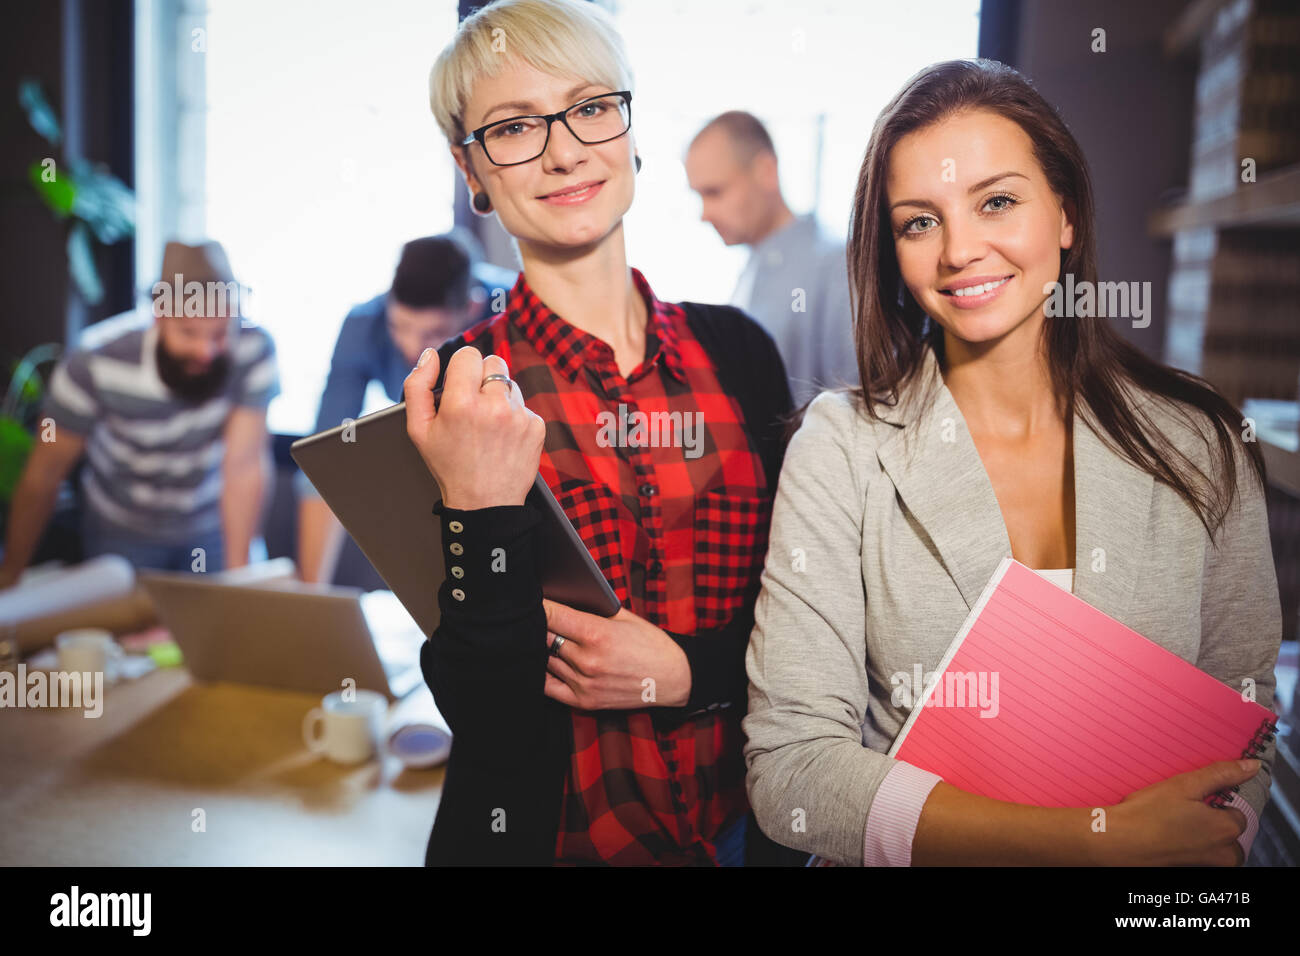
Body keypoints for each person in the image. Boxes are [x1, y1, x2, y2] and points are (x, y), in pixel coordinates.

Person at [744, 59, 1282, 867]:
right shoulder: (840, 444)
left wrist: (1195, 854)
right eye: (919, 222)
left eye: (997, 201)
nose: (961, 250)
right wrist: (1089, 845)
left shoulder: (1199, 438)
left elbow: (1246, 716)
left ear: (1065, 213)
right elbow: (792, 769)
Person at [406, 0, 801, 865]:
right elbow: (485, 714)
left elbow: (809, 633)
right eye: (511, 127)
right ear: (471, 169)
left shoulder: (739, 352)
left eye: (589, 107)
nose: (562, 149)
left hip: (752, 832)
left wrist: (685, 671)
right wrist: (479, 509)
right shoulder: (454, 392)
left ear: (627, 131)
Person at [0, 240, 279, 585]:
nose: (206, 351)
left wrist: (240, 579)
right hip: (121, 533)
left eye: (220, 333)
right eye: (189, 332)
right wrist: (12, 571)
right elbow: (46, 470)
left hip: (210, 530)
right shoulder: (94, 360)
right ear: (159, 315)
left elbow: (244, 465)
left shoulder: (253, 350)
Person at [296, 231, 515, 584]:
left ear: (472, 309)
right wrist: (310, 595)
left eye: (434, 332)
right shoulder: (364, 323)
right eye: (401, 326)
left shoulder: (513, 309)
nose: (413, 348)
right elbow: (326, 456)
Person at [684, 110, 857, 404]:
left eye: (715, 192)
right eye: (699, 195)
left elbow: (862, 402)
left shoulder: (837, 265)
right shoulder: (752, 271)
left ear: (765, 171)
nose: (704, 214)